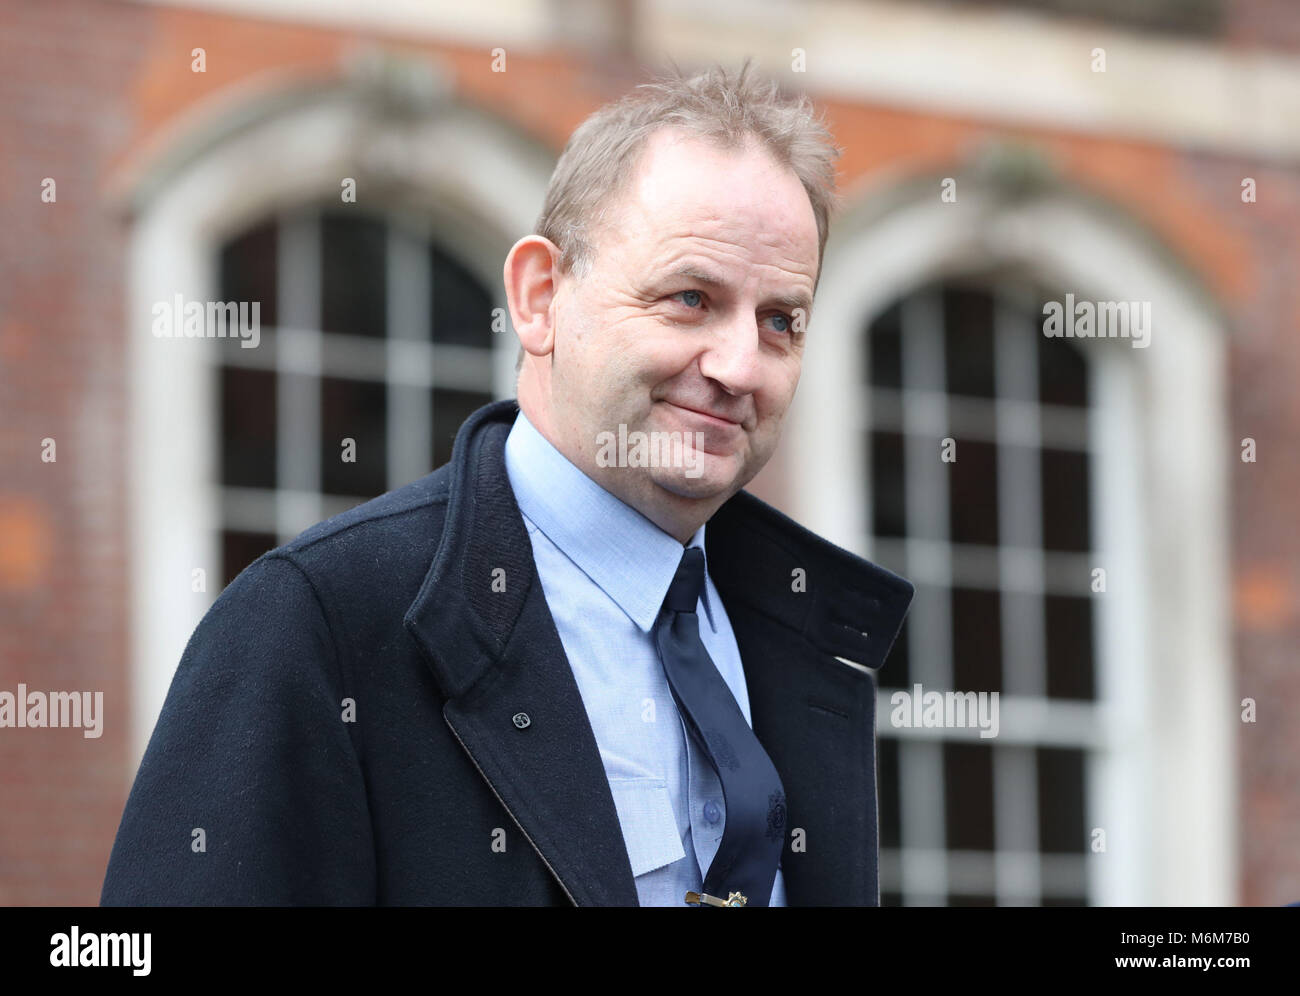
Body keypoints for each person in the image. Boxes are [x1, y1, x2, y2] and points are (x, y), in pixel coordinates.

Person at [101, 59, 913, 907]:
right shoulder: (317, 623)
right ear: (538, 297)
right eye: (688, 298)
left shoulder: (792, 626)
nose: (740, 365)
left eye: (780, 320)